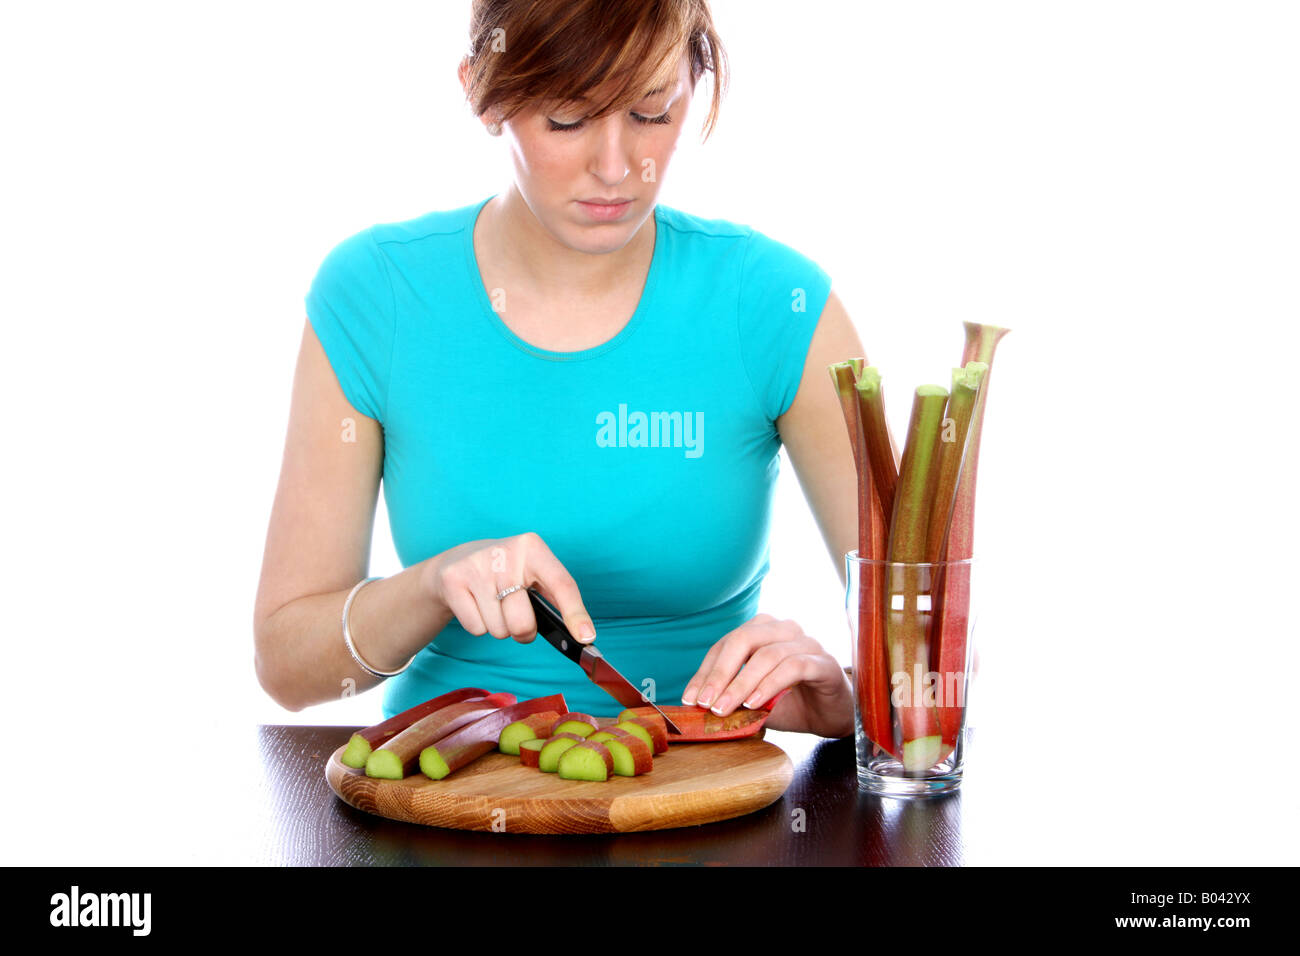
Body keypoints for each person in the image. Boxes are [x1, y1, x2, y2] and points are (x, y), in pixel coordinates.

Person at [254, 0, 868, 738]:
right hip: (450, 809)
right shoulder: (375, 293)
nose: (617, 169)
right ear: (481, 92)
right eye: (568, 120)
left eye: (652, 112)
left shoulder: (778, 304)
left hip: (708, 810)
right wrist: (431, 586)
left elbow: (926, 656)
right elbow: (288, 670)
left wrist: (847, 700)